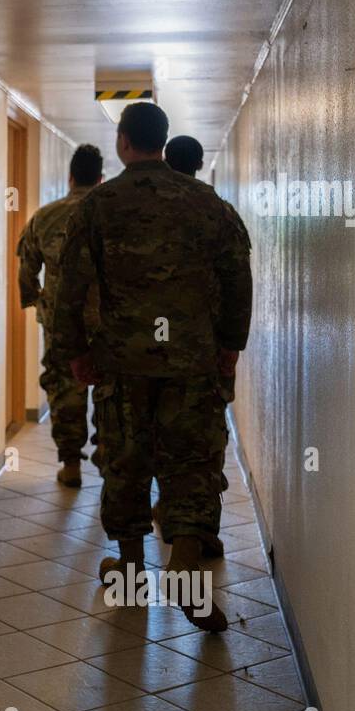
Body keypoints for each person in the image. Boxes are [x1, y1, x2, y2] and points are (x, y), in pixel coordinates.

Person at [52, 103, 252, 632]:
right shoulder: (206, 203)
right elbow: (237, 275)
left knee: (124, 459)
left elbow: (69, 287)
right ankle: (185, 560)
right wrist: (230, 343)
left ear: (122, 142)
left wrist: (75, 351)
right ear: (163, 143)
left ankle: (133, 566)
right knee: (191, 460)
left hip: (122, 362)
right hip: (192, 361)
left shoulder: (99, 206)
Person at [16, 145, 103, 487]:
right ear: (100, 178)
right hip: (108, 320)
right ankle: (109, 459)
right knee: (110, 389)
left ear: (70, 176)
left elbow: (27, 269)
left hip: (59, 322)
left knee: (64, 388)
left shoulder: (45, 215)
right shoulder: (110, 213)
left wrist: (38, 302)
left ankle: (71, 465)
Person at [157, 133, 226, 558]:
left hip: (144, 354)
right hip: (201, 353)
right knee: (203, 445)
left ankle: (163, 512)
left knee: (152, 440)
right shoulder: (213, 208)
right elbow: (237, 278)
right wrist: (231, 344)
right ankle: (197, 533)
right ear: (200, 164)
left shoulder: (138, 205)